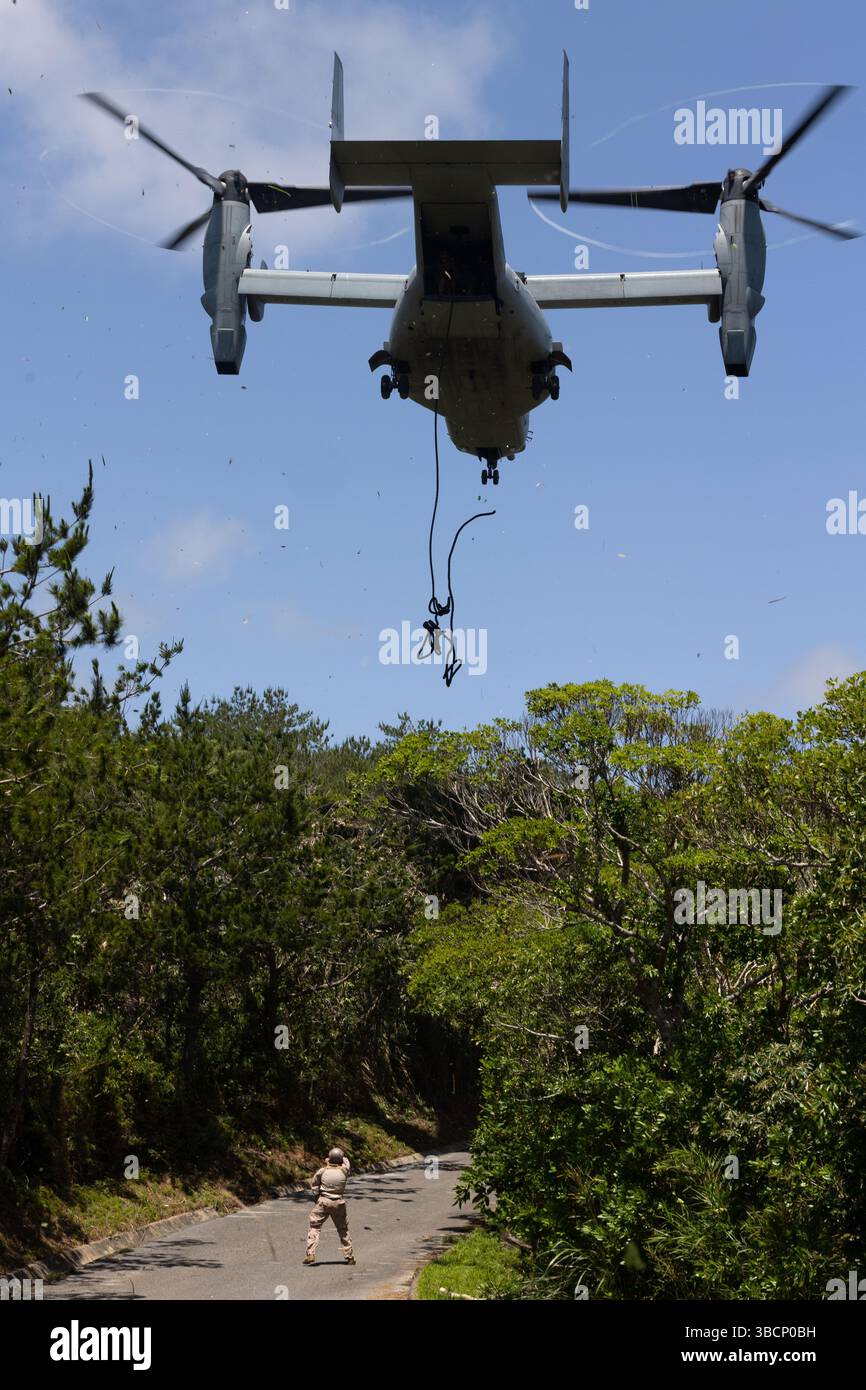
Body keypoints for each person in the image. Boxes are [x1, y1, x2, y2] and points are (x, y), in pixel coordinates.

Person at [303, 1147, 355, 1265]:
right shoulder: (344, 1171)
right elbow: (346, 1161)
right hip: (338, 1202)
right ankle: (349, 1256)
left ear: (329, 1158)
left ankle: (310, 1253)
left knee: (315, 1226)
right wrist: (340, 1158)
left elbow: (315, 1186)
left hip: (323, 1201)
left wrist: (317, 1198)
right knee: (343, 1229)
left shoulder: (322, 1171)